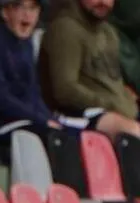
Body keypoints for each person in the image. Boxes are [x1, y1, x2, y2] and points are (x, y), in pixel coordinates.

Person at [39, 0, 140, 139]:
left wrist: (126, 102)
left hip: (115, 111)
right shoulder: (65, 28)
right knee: (134, 133)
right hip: (76, 113)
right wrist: (111, 104)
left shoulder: (108, 32)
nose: (103, 2)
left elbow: (114, 81)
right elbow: (65, 91)